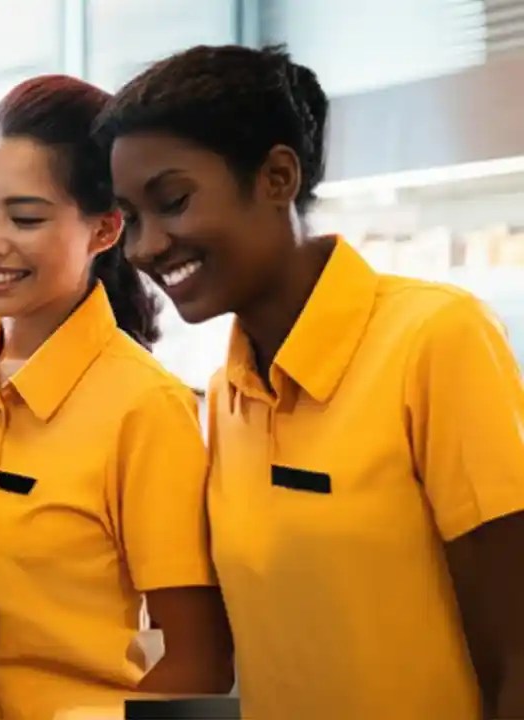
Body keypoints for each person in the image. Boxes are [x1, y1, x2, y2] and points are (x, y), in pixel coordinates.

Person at [99, 44, 524, 720]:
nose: (146, 247)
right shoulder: (227, 396)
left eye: (173, 201)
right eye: (132, 219)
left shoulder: (434, 340)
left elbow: (517, 657)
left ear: (276, 177)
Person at [0, 75, 234, 720]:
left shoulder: (145, 409)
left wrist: (98, 702)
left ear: (106, 229)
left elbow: (195, 656)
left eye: (25, 217)